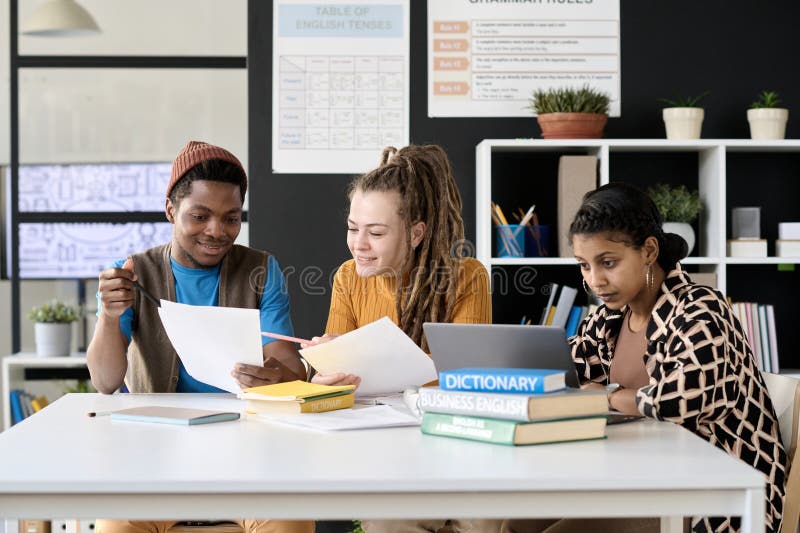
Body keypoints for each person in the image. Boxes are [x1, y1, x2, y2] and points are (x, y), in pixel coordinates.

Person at [504, 182, 787, 533]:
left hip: (715, 494)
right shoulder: (609, 318)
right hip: (637, 474)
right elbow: (562, 367)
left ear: (649, 250)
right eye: (584, 266)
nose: (595, 280)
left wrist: (606, 395)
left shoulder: (701, 310)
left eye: (608, 263)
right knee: (515, 522)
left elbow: (681, 399)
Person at [87, 140, 313, 533]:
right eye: (200, 216)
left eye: (230, 218)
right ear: (171, 210)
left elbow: (289, 365)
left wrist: (281, 377)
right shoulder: (132, 272)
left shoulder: (262, 270)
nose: (217, 231)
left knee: (290, 524)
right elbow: (105, 381)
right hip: (153, 457)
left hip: (246, 454)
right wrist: (110, 316)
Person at [306, 144, 497, 533]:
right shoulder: (347, 278)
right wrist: (323, 378)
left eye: (375, 233)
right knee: (389, 522)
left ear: (416, 233)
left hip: (457, 446)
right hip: (383, 451)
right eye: (352, 228)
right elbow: (328, 390)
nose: (359, 244)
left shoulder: (467, 277)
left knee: (484, 521)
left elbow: (465, 383)